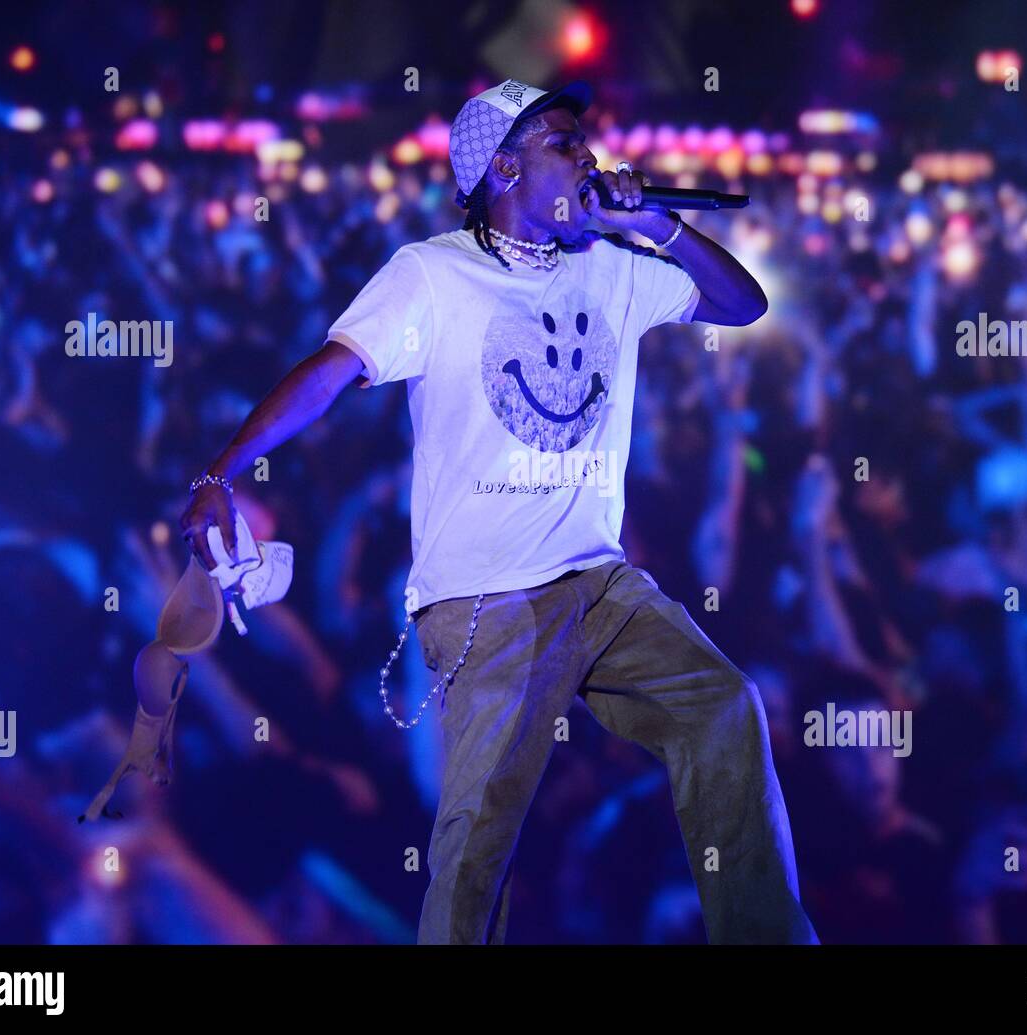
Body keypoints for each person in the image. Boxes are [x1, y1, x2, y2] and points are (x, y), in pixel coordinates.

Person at [178, 77, 817, 945]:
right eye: (563, 144)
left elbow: (745, 305)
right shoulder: (433, 274)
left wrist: (656, 225)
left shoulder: (617, 266)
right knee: (480, 842)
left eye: (585, 143)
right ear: (505, 167)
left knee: (725, 707)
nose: (587, 157)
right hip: (489, 598)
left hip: (601, 581)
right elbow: (331, 372)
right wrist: (222, 470)